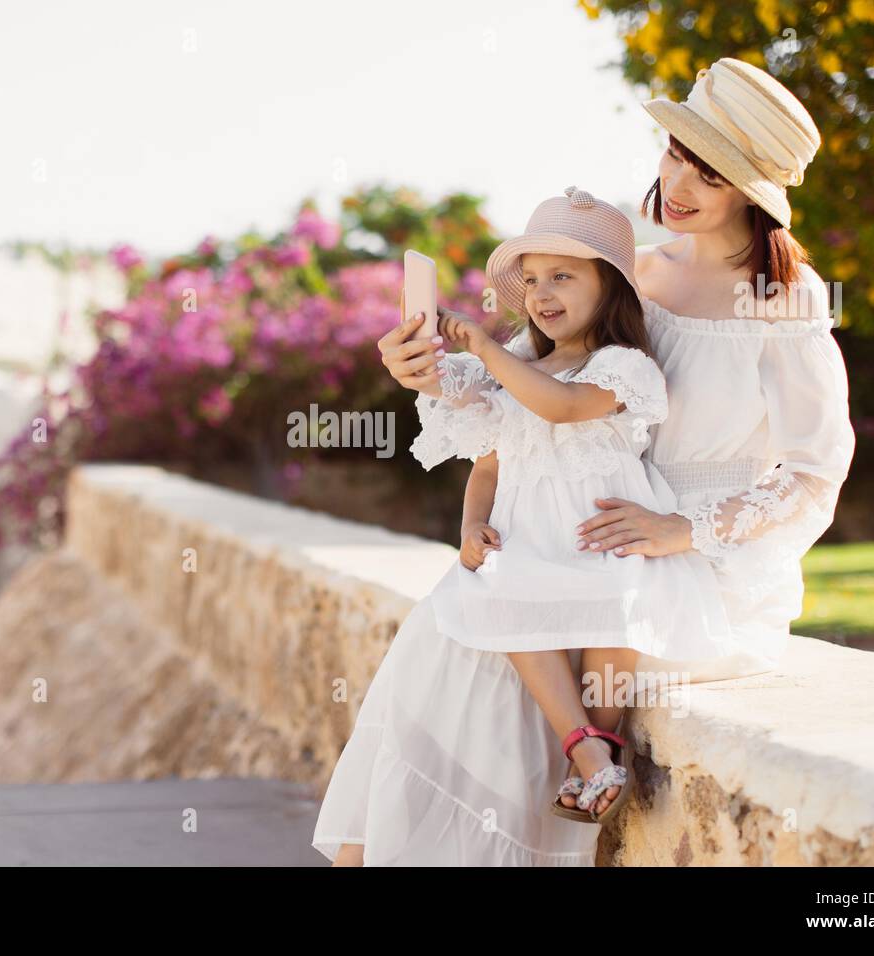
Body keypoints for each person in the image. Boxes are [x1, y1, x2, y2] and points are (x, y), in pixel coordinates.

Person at [345, 58, 855, 866]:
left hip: (697, 565)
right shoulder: (635, 273)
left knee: (486, 658)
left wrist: (678, 528)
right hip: (584, 530)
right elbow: (518, 388)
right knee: (448, 631)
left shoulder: (784, 300)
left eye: (709, 172)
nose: (677, 181)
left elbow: (814, 473)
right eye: (675, 153)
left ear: (751, 192)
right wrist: (424, 368)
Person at [312, 187, 744, 866]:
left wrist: (487, 351)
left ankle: (598, 748)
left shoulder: (621, 367)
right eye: (533, 279)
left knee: (616, 608)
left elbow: (565, 406)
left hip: (596, 539)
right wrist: (473, 525)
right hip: (528, 544)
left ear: (612, 289)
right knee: (500, 587)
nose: (543, 292)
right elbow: (490, 461)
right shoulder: (521, 363)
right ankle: (584, 745)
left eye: (565, 276)